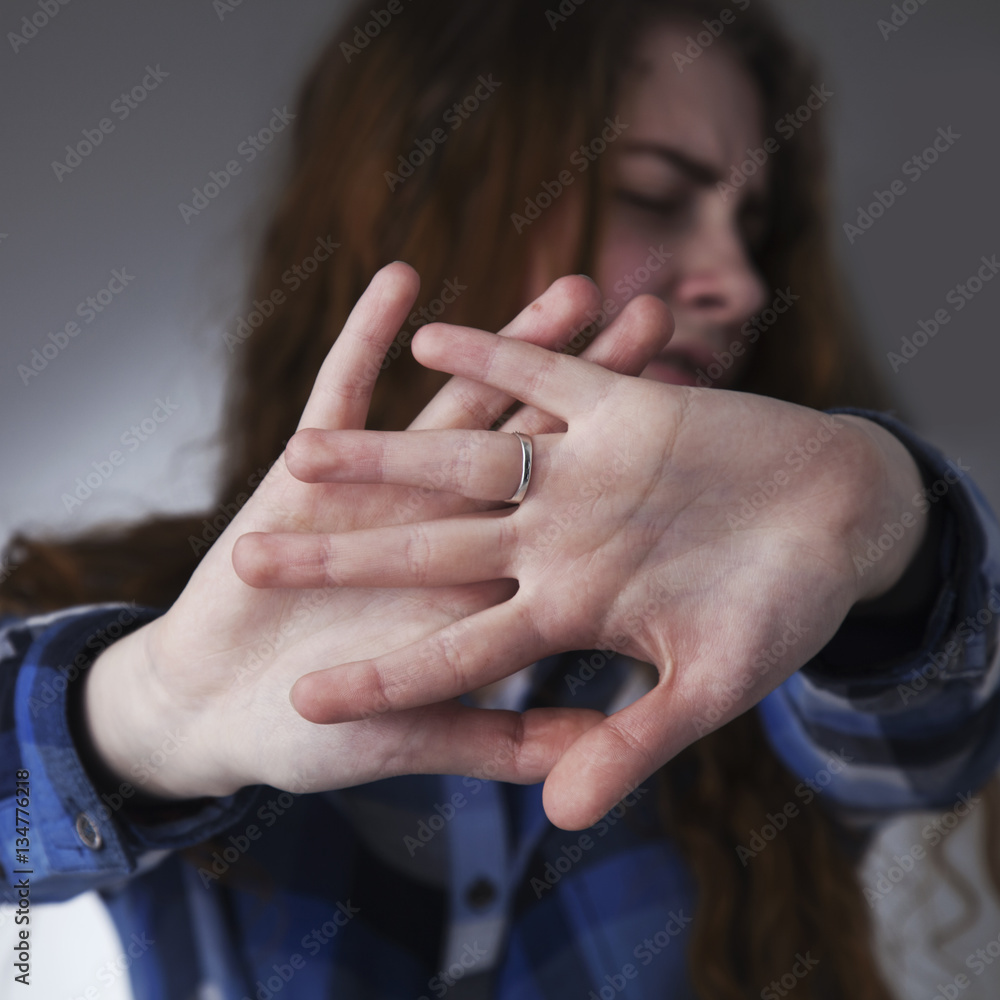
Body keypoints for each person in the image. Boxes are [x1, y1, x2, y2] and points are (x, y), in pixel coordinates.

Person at [2, 1, 999, 997]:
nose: (739, 282)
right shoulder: (154, 603)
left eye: (752, 226)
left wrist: (880, 518)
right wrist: (151, 714)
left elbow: (920, 746)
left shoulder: (746, 626)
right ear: (444, 188)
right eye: (653, 195)